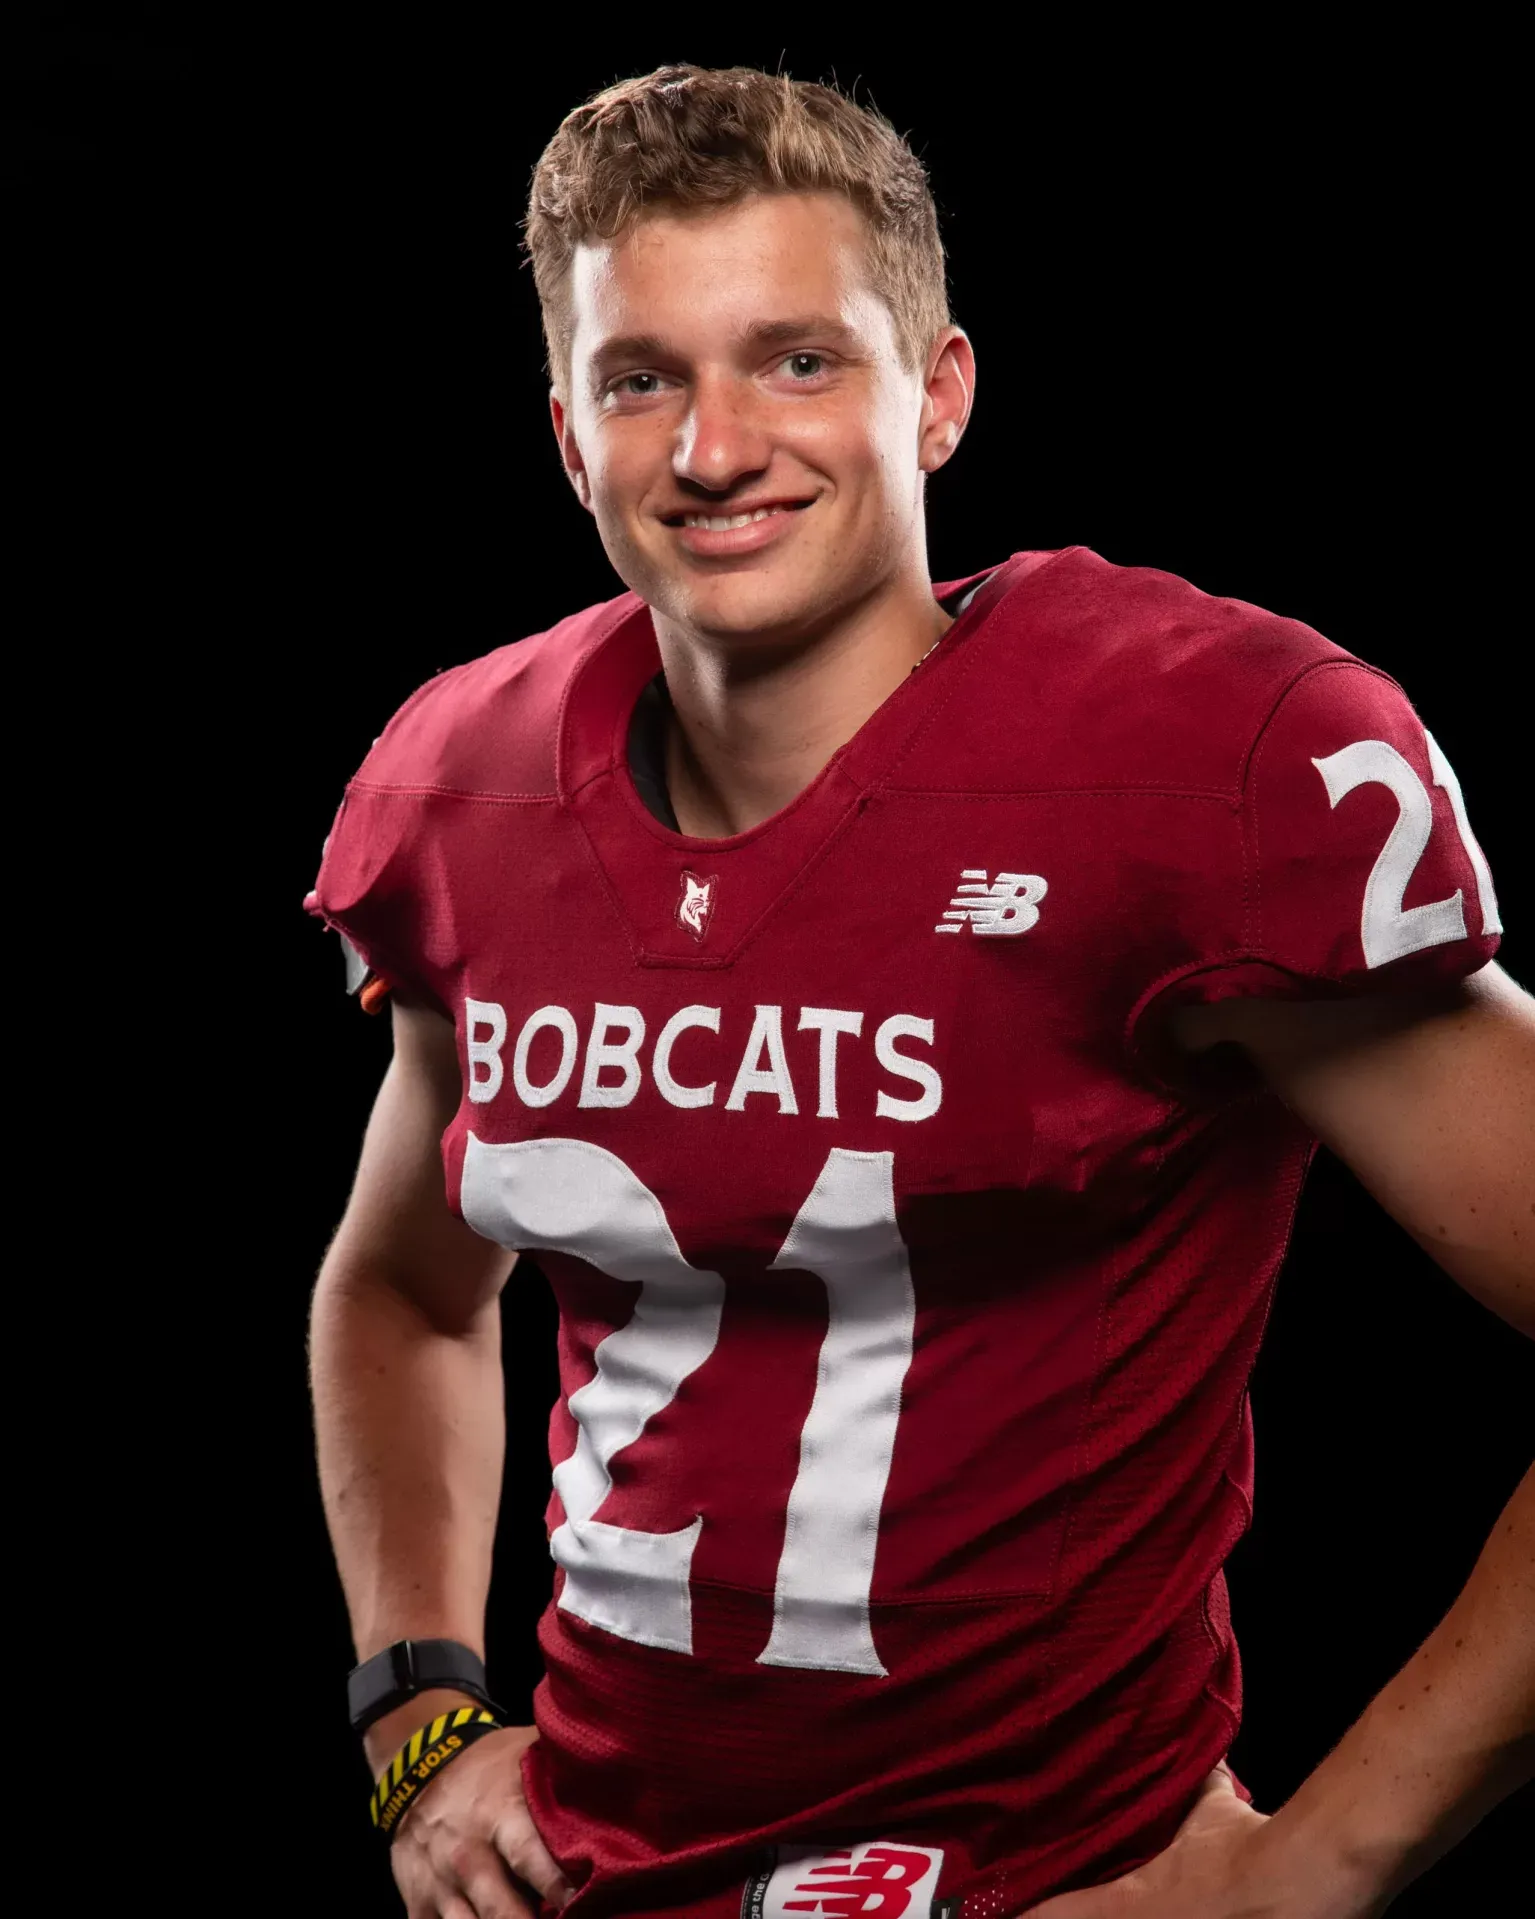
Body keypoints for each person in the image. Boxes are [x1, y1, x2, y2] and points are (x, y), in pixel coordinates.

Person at [305, 63, 1533, 1919]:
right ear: (571, 433)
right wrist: (419, 1706)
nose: (715, 447)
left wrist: (1315, 1870)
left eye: (797, 359)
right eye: (643, 378)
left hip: (1047, 1873)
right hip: (598, 1884)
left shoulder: (1193, 762)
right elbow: (401, 1289)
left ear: (938, 393)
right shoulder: (466, 786)